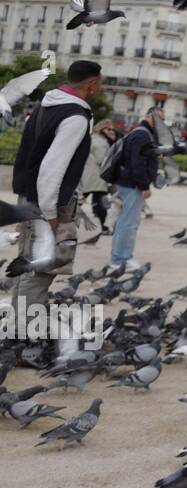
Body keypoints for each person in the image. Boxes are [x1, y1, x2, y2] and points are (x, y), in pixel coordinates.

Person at [10, 60, 102, 312]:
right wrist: (49, 212)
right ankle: (25, 332)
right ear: (92, 84)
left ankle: (17, 326)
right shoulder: (75, 117)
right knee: (41, 270)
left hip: (29, 197)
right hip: (49, 202)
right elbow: (52, 168)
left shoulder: (45, 106)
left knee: (27, 264)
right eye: (100, 82)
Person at [110, 106, 161, 270]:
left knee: (125, 222)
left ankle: (119, 257)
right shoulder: (142, 134)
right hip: (132, 184)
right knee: (129, 223)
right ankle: (121, 259)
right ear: (148, 116)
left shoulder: (141, 133)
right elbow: (137, 163)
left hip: (129, 182)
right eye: (158, 118)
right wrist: (144, 185)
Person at [80, 119, 117, 232]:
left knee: (81, 200)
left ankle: (63, 219)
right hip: (97, 177)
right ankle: (105, 228)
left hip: (88, 176)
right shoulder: (101, 142)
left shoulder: (93, 139)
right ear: (102, 129)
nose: (111, 131)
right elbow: (103, 160)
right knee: (100, 203)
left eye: (112, 129)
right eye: (108, 129)